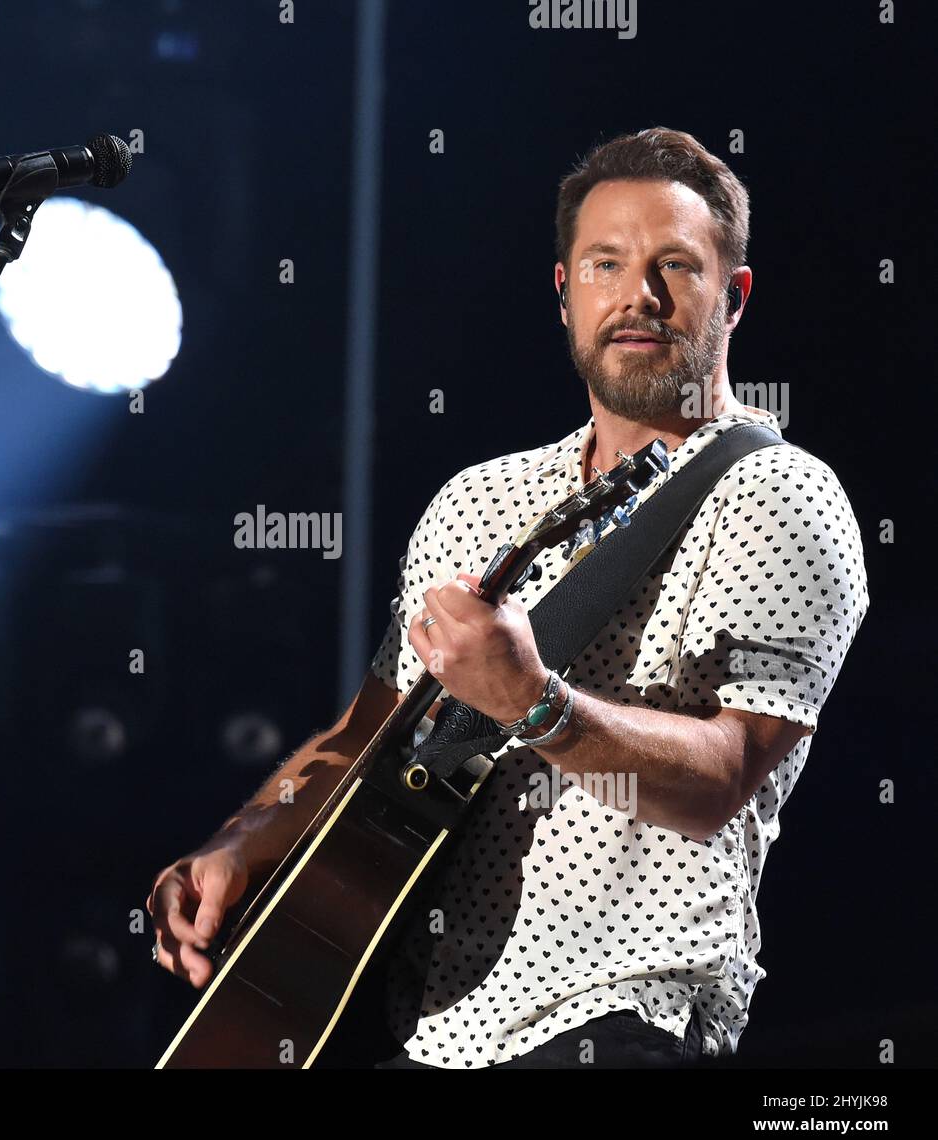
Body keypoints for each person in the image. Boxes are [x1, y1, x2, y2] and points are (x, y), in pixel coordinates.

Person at [147, 127, 869, 1068]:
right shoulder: (476, 498)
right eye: (605, 264)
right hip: (428, 1020)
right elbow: (369, 736)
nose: (637, 296)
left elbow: (722, 780)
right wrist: (243, 842)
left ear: (731, 297)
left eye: (675, 267)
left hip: (626, 1005)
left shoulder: (781, 494)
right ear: (566, 291)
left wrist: (535, 702)